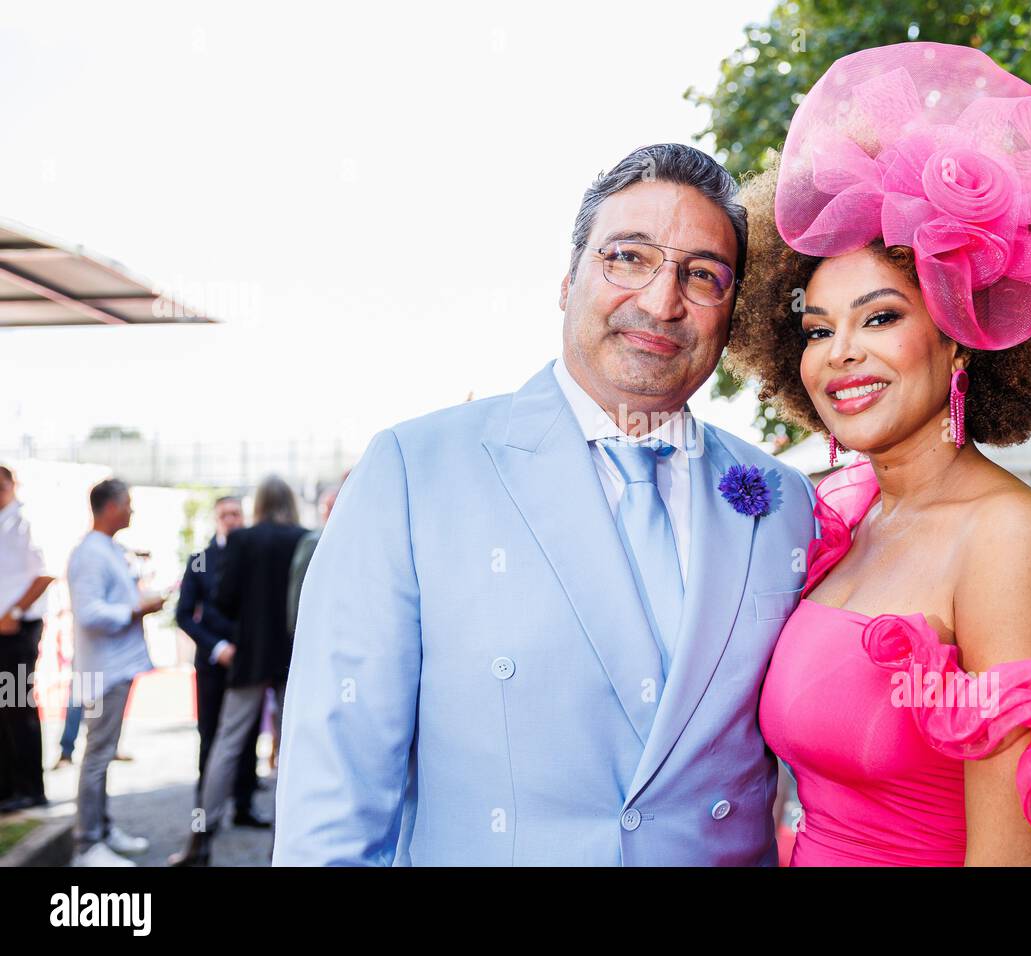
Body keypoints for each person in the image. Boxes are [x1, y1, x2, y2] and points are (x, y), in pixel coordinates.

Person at [273, 143, 816, 866]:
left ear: (730, 308)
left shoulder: (785, 502)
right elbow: (335, 800)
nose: (661, 301)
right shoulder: (413, 474)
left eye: (703, 275)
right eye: (628, 257)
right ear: (567, 280)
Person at [726, 42, 1031, 865]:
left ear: (962, 336)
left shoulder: (1012, 540)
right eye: (818, 329)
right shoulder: (844, 517)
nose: (839, 353)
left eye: (881, 317)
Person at [169, 476, 306, 865]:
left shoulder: (244, 542)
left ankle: (200, 838)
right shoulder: (304, 538)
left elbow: (224, 600)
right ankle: (289, 843)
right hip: (291, 657)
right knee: (292, 749)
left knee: (226, 745)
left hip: (250, 656)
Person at [66, 478, 163, 866]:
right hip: (102, 669)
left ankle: (100, 831)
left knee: (101, 754)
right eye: (127, 503)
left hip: (112, 667)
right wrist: (136, 610)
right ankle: (87, 844)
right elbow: (90, 613)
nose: (131, 510)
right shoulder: (90, 553)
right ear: (109, 507)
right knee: (97, 757)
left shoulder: (104, 549)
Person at [175, 495, 268, 829]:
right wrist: (216, 647)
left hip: (248, 662)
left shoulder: (255, 559)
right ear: (216, 519)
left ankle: (244, 806)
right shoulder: (200, 559)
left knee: (248, 737)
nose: (231, 519)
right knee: (211, 735)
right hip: (213, 664)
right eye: (225, 514)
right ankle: (205, 814)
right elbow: (184, 614)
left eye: (236, 513)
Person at [0, 465, 55, 813]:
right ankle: (7, 788)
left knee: (17, 705)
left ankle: (30, 787)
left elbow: (45, 572)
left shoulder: (26, 519)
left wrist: (14, 612)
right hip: (3, 630)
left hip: (18, 630)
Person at [285, 481, 340, 636]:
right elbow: (298, 593)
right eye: (327, 507)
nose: (331, 511)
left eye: (335, 506)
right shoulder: (313, 541)